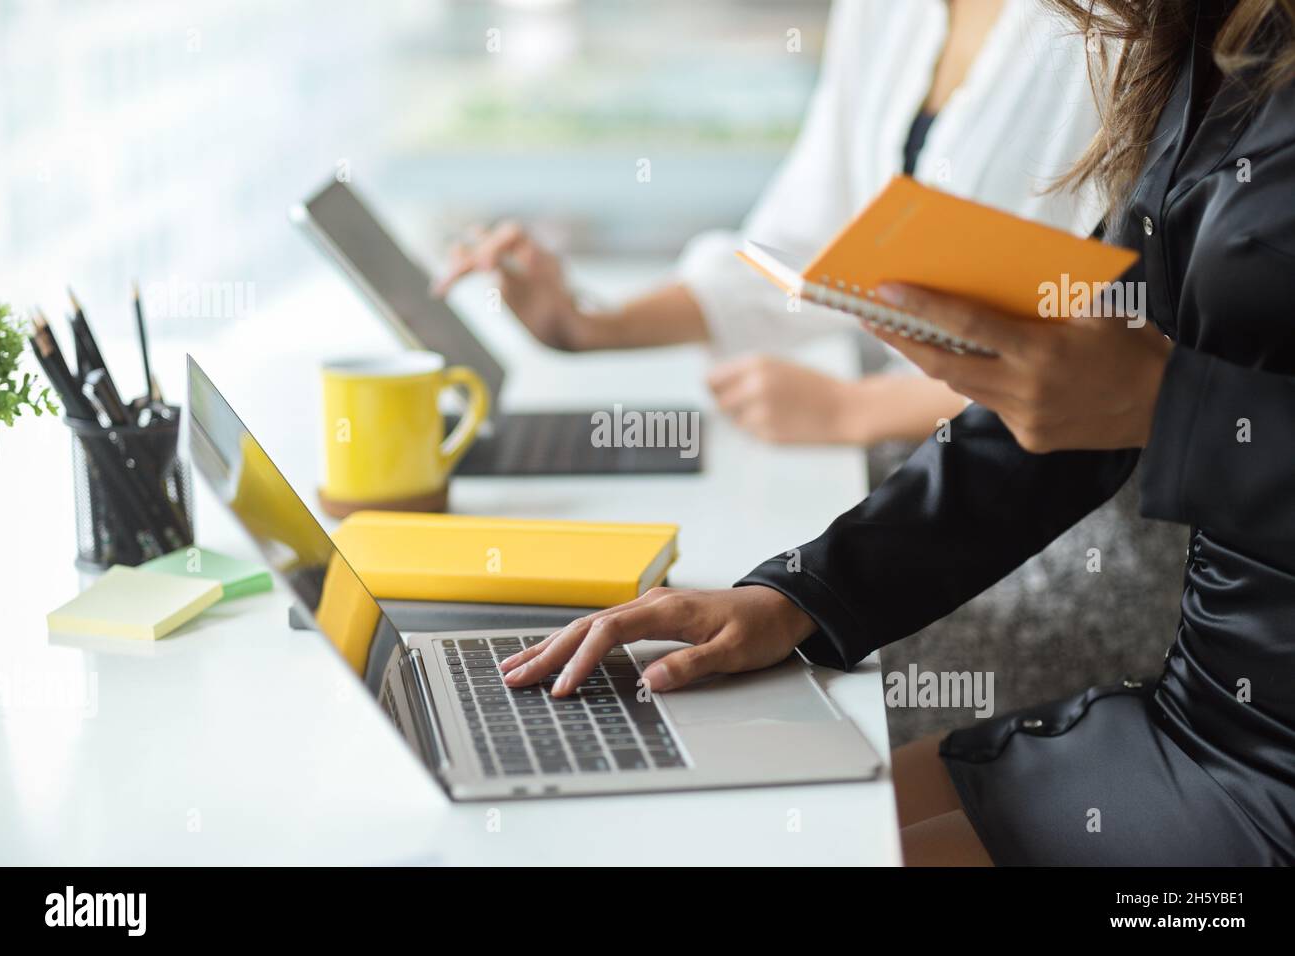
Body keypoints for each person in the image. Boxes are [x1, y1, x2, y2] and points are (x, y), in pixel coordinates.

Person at [497, 0, 1295, 866]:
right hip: (1198, 716)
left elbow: (1137, 396)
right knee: (774, 833)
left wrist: (1170, 409)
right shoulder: (1197, 39)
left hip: (1269, 784)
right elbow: (1076, 408)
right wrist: (799, 595)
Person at [436, 0, 1103, 447]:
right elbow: (809, 243)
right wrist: (588, 326)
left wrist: (855, 409)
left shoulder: (1123, 26)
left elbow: (1119, 351)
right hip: (912, 468)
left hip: (1048, 502)